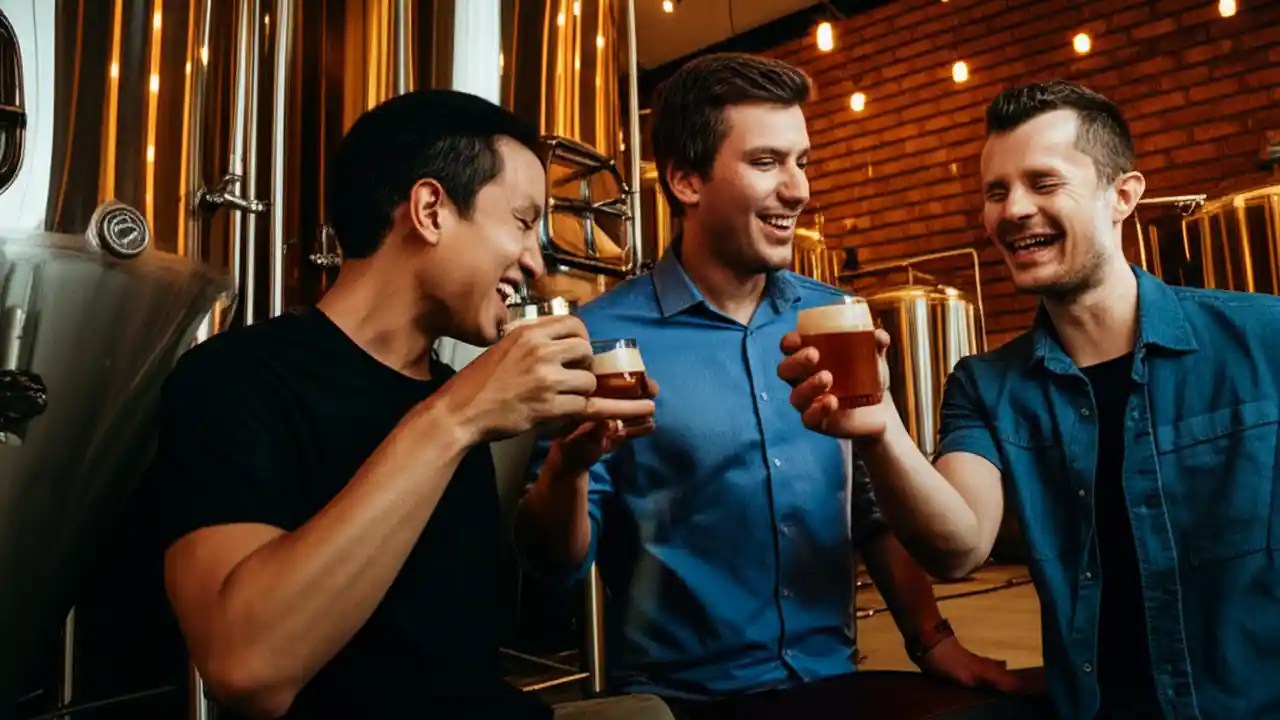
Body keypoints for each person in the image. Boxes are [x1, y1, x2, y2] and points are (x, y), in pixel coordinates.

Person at [516, 53, 1028, 715]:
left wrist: (932, 641)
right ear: (685, 179)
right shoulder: (602, 338)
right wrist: (566, 468)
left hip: (835, 685)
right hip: (684, 702)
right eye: (766, 163)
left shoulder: (835, 316)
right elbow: (552, 565)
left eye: (802, 162)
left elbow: (869, 510)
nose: (798, 190)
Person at [148, 89, 674, 720]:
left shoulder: (453, 393)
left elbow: (528, 618)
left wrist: (566, 467)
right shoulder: (233, 380)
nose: (536, 261)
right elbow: (247, 669)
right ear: (430, 209)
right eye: (523, 221)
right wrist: (456, 417)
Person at [779, 79, 1280, 720]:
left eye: (1043, 184)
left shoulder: (1263, 341)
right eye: (996, 191)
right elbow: (958, 548)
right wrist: (882, 430)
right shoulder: (987, 384)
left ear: (1122, 195)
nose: (1012, 210)